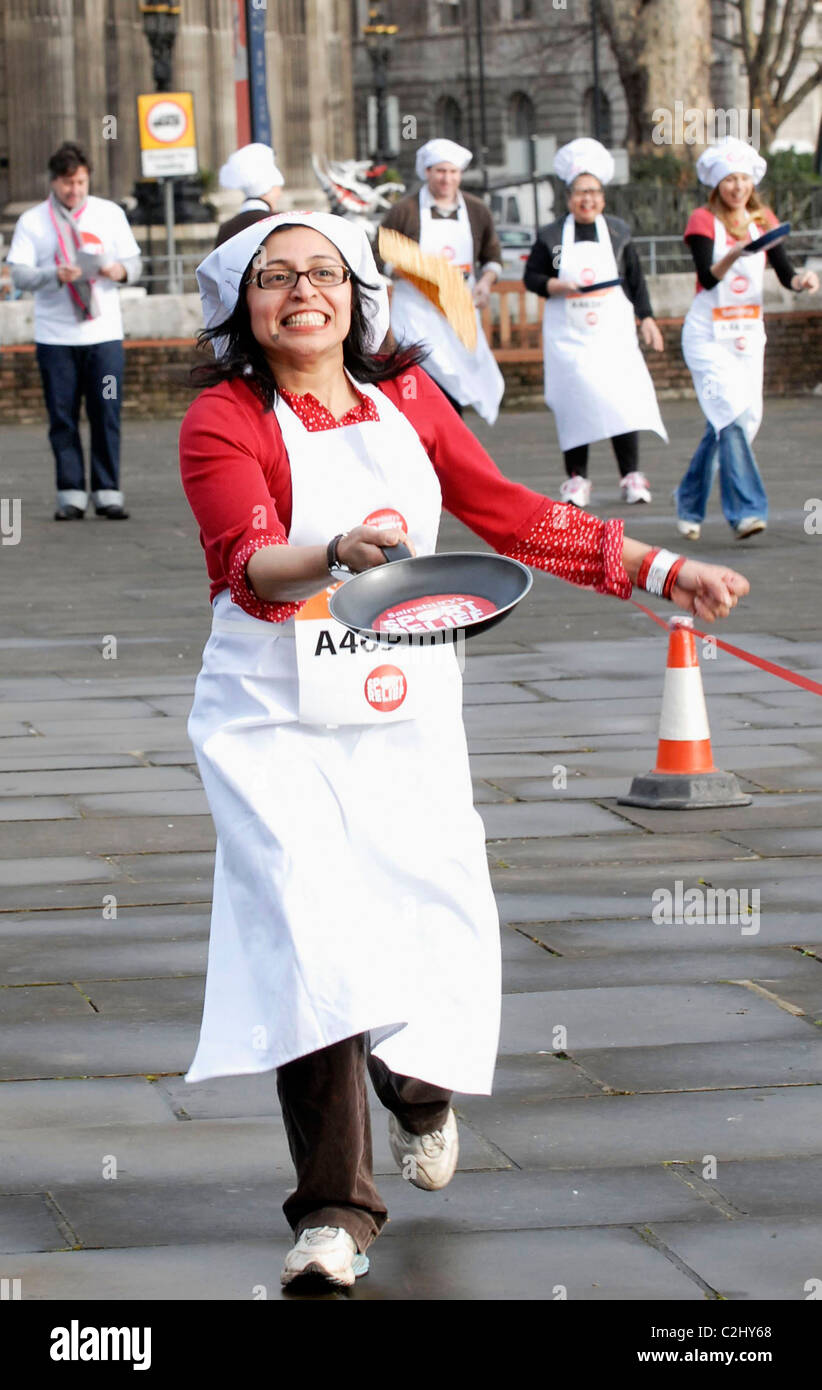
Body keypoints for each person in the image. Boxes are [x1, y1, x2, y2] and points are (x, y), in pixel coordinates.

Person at [178, 210, 749, 1289]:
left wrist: (664, 574)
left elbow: (512, 515)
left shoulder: (408, 397)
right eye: (273, 278)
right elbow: (247, 561)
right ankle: (335, 1213)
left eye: (323, 272)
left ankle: (418, 1084)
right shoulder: (221, 418)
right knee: (307, 931)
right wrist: (336, 553)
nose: (303, 291)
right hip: (273, 713)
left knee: (427, 913)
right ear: (240, 307)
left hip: (401, 701)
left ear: (358, 291)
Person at [675, 136, 819, 541]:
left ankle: (687, 501)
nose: (737, 187)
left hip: (747, 338)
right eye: (728, 179)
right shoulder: (702, 220)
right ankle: (746, 512)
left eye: (743, 179)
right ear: (717, 184)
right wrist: (736, 252)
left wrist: (802, 280)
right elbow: (706, 277)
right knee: (729, 417)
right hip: (707, 337)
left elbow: (785, 271)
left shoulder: (764, 220)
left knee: (734, 422)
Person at [524, 137, 667, 509]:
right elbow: (531, 277)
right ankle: (576, 479)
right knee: (576, 402)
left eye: (594, 192)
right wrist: (552, 284)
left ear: (603, 197)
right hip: (569, 336)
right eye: (580, 192)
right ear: (569, 196)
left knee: (623, 399)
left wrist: (646, 317)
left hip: (612, 333)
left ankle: (631, 475)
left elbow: (635, 280)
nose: (587, 199)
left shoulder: (618, 232)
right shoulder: (552, 236)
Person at [6, 141, 142, 520]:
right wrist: (54, 275)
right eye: (67, 183)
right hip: (56, 338)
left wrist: (121, 271)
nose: (75, 190)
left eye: (81, 182)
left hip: (104, 337)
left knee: (107, 410)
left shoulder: (109, 214)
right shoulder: (34, 221)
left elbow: (134, 262)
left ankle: (107, 490)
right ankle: (70, 492)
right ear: (54, 182)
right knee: (62, 414)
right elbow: (19, 273)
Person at [377, 137, 505, 422]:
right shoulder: (405, 211)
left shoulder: (476, 210)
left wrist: (485, 283)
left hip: (458, 312)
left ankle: (452, 437)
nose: (446, 179)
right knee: (424, 376)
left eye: (452, 172)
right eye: (439, 171)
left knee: (457, 376)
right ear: (427, 172)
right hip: (415, 313)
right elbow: (378, 254)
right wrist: (409, 269)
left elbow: (492, 256)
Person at [216, 142, 285, 247]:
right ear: (267, 188)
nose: (280, 195)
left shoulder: (226, 229)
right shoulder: (280, 222)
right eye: (277, 189)